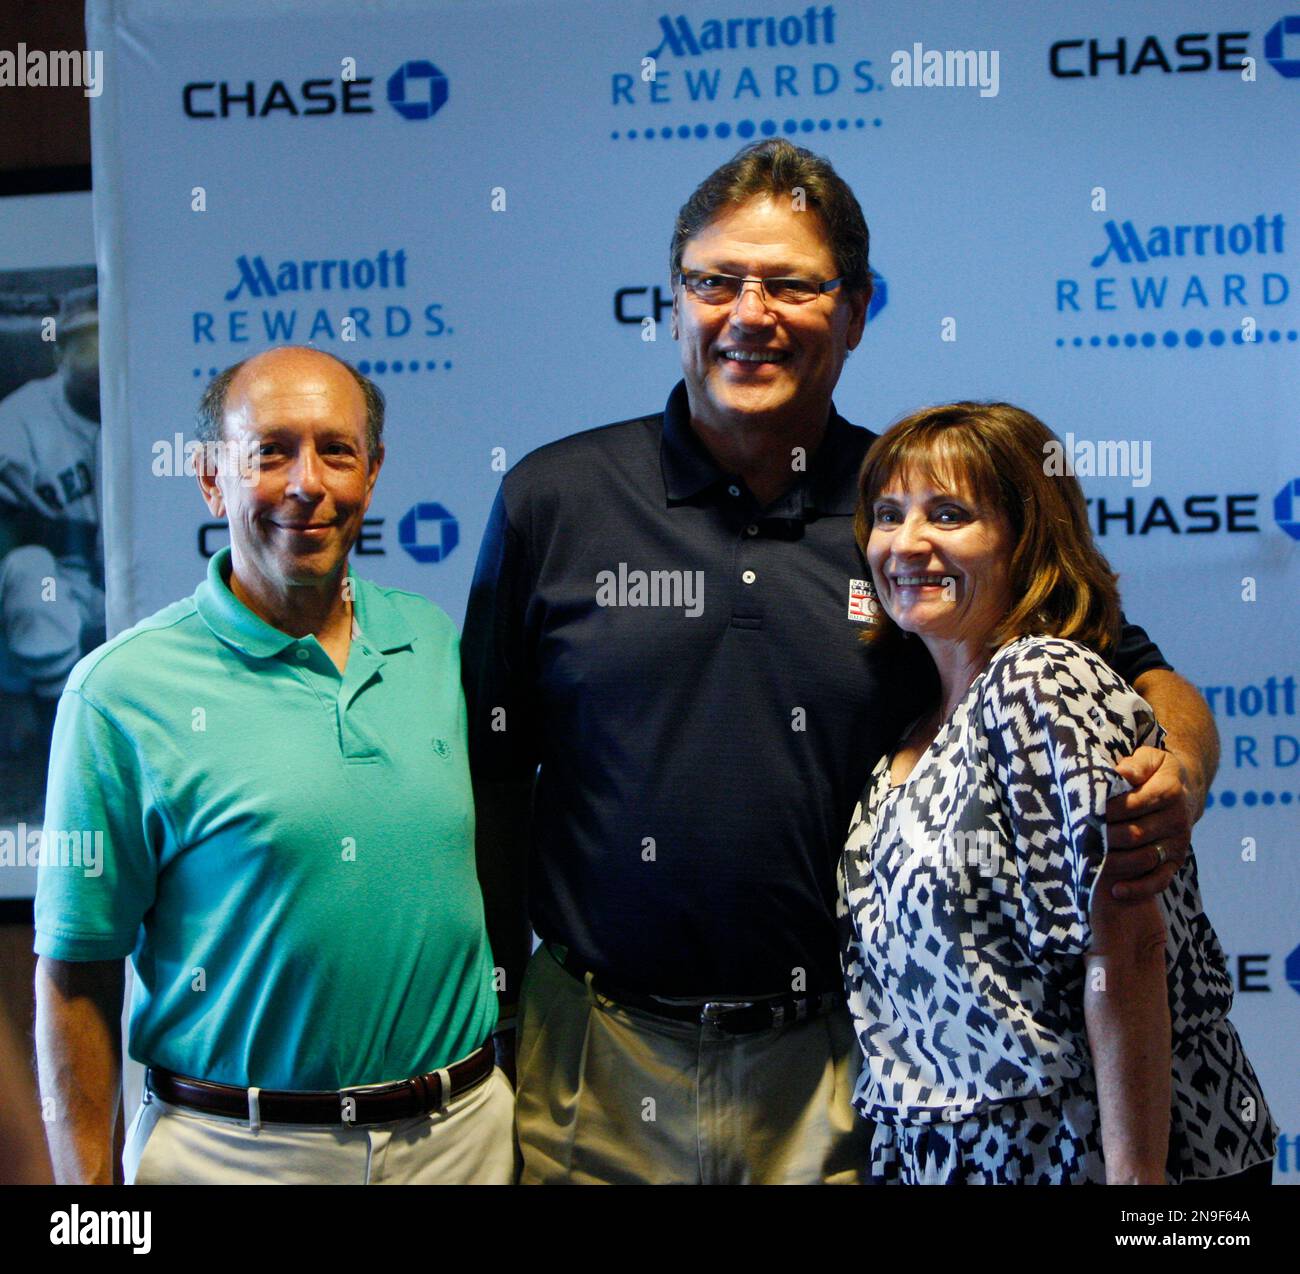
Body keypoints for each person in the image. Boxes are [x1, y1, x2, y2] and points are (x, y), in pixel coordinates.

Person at [463, 140, 1221, 1184]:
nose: (748, 312)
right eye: (716, 280)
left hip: (847, 1064)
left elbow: (1135, 668)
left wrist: (1177, 763)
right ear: (673, 302)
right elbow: (492, 774)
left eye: (792, 284)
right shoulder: (554, 498)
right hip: (594, 1061)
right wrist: (495, 1016)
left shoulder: (911, 519)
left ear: (856, 311)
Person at [34, 346, 512, 1185]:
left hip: (461, 1139)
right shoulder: (120, 693)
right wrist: (89, 1206)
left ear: (374, 471)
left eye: (337, 450)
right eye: (269, 452)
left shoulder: (433, 642)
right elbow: (74, 974)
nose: (307, 483)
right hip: (235, 1155)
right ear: (211, 479)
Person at [838, 401, 1277, 1184]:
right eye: (887, 515)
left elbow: (1128, 952)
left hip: (1077, 1155)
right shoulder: (916, 721)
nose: (907, 544)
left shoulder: (1041, 681)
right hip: (947, 1158)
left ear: (1025, 535)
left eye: (948, 514)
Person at [0, 286, 105, 816]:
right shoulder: (18, 420)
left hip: (156, 577)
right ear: (59, 352)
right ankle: (55, 763)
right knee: (27, 571)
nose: (94, 355)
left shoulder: (165, 399)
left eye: (103, 340)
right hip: (72, 582)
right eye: (81, 342)